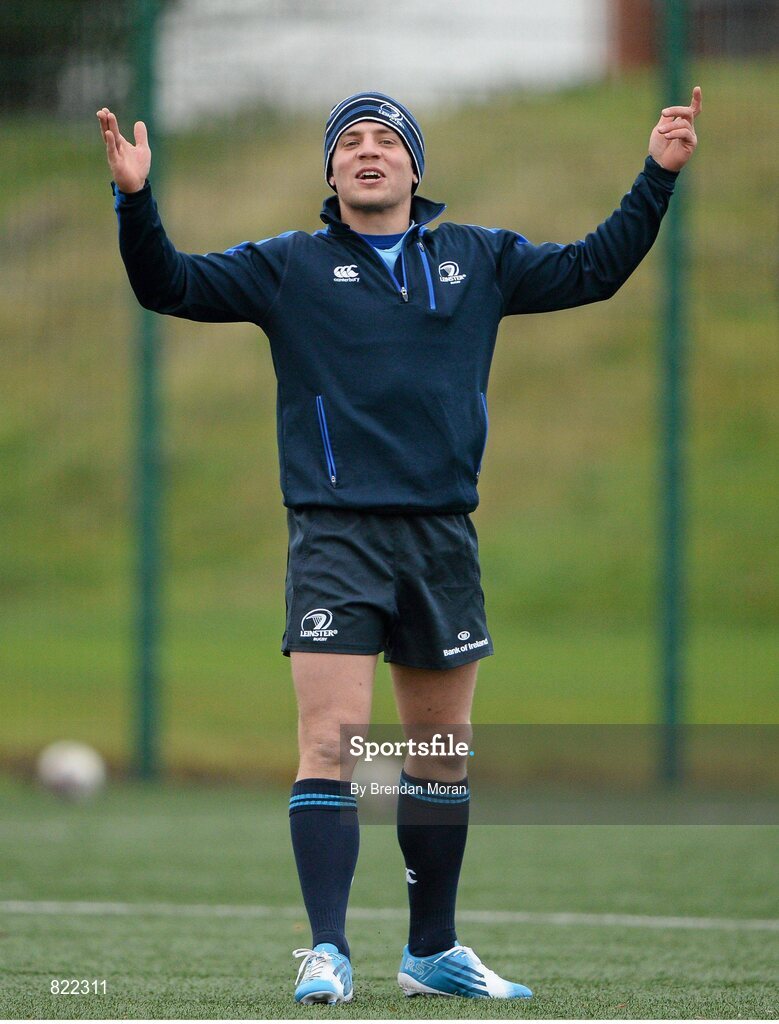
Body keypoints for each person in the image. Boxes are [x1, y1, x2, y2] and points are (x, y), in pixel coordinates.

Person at [98, 85, 701, 1004]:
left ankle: (431, 951)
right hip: (335, 535)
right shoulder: (288, 266)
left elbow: (594, 270)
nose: (367, 151)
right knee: (329, 742)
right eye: (349, 142)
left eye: (386, 140)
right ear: (331, 171)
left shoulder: (479, 258)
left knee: (440, 750)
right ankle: (327, 951)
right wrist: (134, 199)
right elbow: (167, 285)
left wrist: (656, 175)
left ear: (415, 168)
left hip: (440, 537)